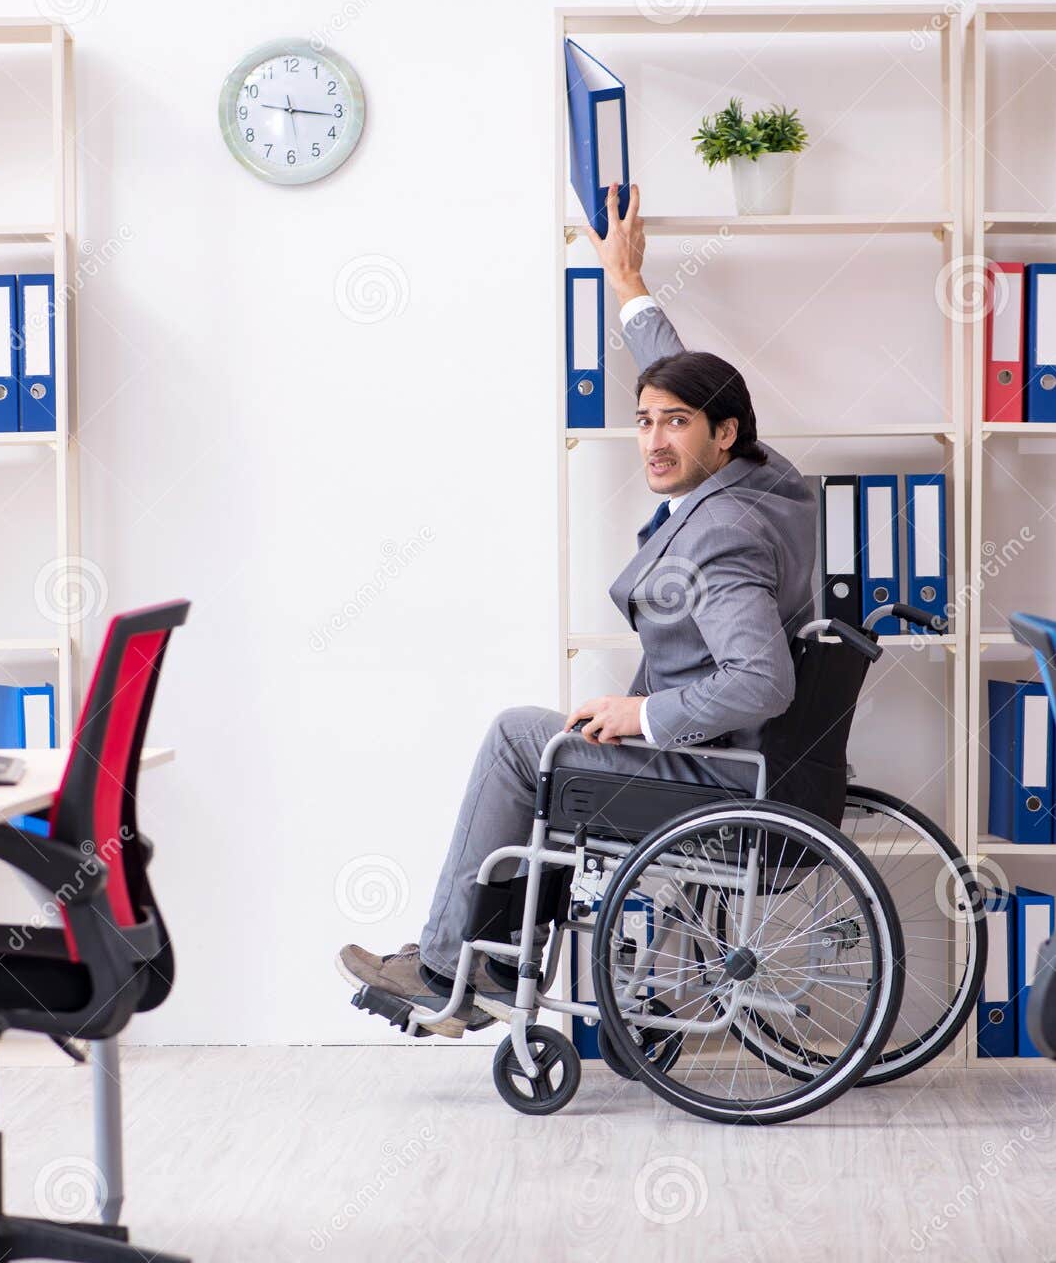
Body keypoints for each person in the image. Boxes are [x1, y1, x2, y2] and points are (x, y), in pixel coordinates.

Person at [337, 181, 818, 1036]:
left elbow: (761, 682)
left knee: (523, 736)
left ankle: (455, 970)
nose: (655, 442)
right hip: (732, 763)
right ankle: (479, 965)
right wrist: (628, 283)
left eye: (676, 425)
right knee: (557, 753)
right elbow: (690, 384)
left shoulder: (723, 533)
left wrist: (642, 713)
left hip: (714, 774)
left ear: (725, 434)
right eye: (644, 422)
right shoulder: (766, 480)